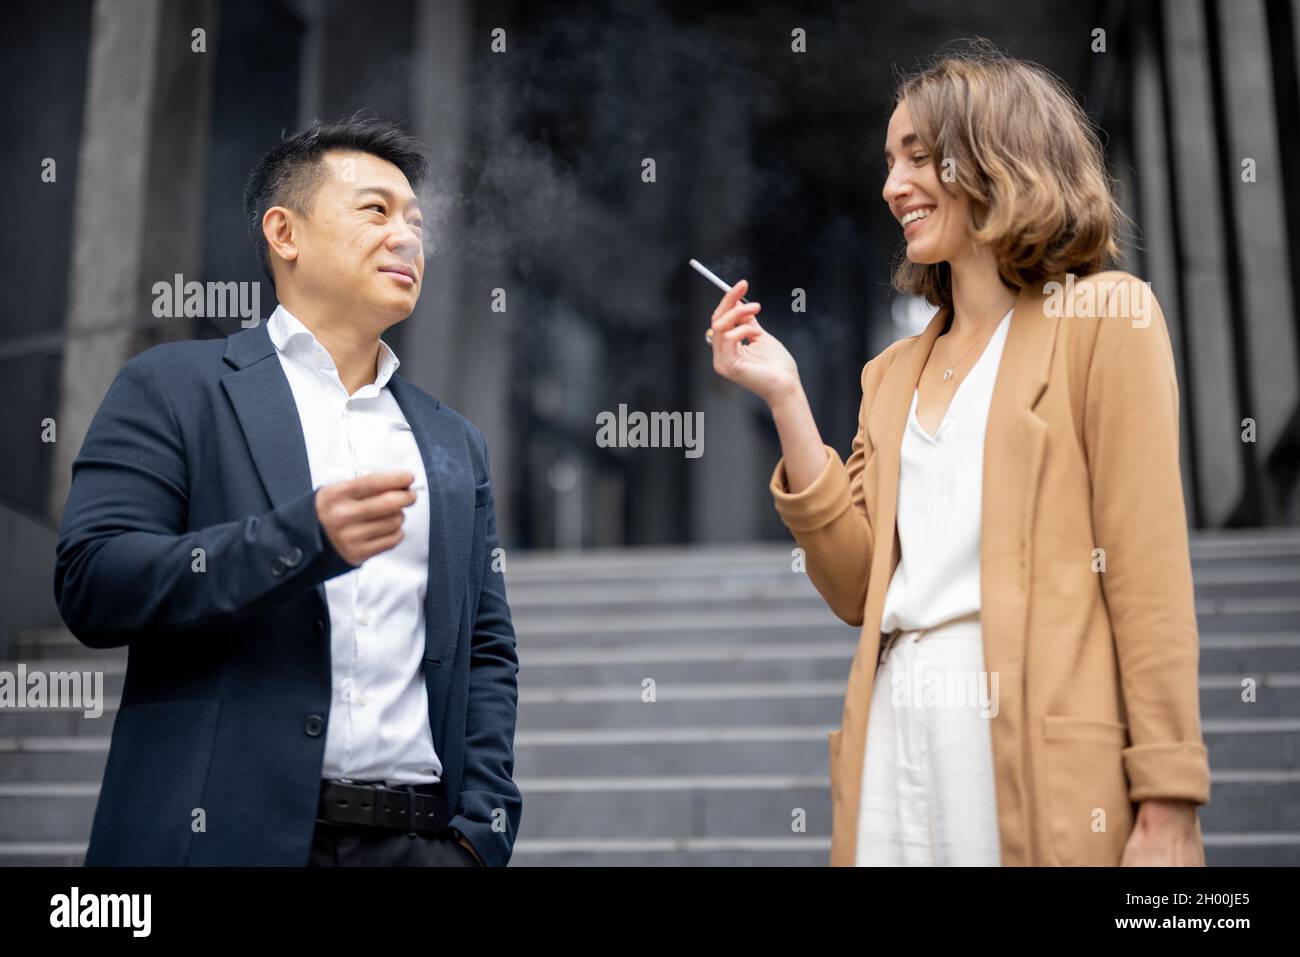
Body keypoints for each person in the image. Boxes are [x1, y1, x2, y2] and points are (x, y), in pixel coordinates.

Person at [707, 43, 1209, 866]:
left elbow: (1147, 572)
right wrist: (787, 397)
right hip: (896, 725)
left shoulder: (1106, 319)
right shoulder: (891, 374)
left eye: (916, 155)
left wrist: (1169, 795)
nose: (891, 186)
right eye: (887, 161)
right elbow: (853, 585)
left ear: (996, 155)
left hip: (1029, 729)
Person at [54, 111, 522, 867]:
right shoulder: (176, 387)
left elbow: (487, 647)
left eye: (416, 222)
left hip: (419, 846)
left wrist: (482, 833)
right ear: (285, 232)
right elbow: (92, 582)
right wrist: (299, 539)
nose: (408, 238)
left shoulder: (451, 441)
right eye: (376, 211)